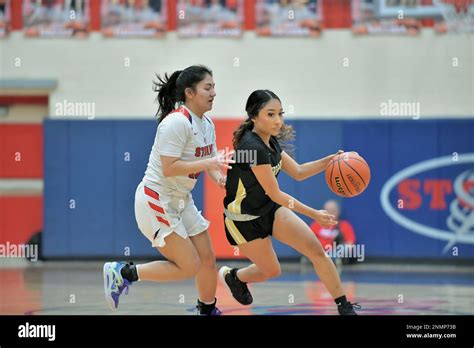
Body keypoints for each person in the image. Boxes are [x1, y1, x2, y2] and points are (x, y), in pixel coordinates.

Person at [103, 65, 234, 315]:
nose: (214, 93)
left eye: (214, 87)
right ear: (190, 92)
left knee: (207, 258)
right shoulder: (175, 123)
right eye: (208, 87)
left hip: (181, 199)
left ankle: (206, 310)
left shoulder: (206, 123)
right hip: (156, 199)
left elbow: (210, 159)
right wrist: (208, 163)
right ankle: (123, 273)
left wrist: (219, 177)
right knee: (189, 266)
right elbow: (169, 168)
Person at [218, 89, 360, 315]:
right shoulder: (252, 147)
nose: (278, 121)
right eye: (271, 114)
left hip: (269, 210)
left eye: (280, 114)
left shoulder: (271, 142)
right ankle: (234, 276)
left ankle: (344, 306)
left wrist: (330, 160)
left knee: (316, 250)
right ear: (254, 116)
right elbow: (276, 194)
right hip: (243, 220)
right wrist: (314, 213)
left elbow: (299, 172)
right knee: (271, 271)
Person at [310, 200, 357, 271]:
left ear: (338, 212)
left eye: (333, 210)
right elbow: (309, 240)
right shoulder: (316, 224)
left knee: (346, 248)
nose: (330, 213)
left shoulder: (344, 225)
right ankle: (324, 258)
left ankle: (330, 259)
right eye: (327, 210)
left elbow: (350, 242)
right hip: (319, 251)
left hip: (335, 253)